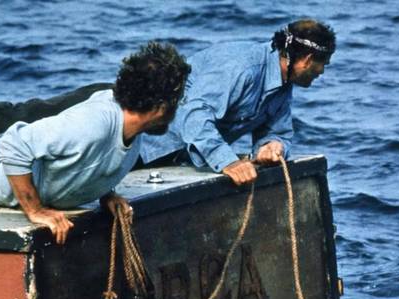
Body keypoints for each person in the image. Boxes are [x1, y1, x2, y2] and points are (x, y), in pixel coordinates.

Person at [0, 41, 191, 245]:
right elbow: (14, 144)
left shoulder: (132, 132)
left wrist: (106, 193)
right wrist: (35, 210)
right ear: (160, 107)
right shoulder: (93, 123)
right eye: (178, 101)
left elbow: (95, 157)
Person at [136, 19, 336, 186]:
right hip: (142, 147)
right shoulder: (242, 67)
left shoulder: (283, 84)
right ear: (308, 59)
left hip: (181, 162)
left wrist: (272, 146)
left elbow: (277, 132)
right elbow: (195, 114)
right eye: (323, 64)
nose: (322, 72)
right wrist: (228, 162)